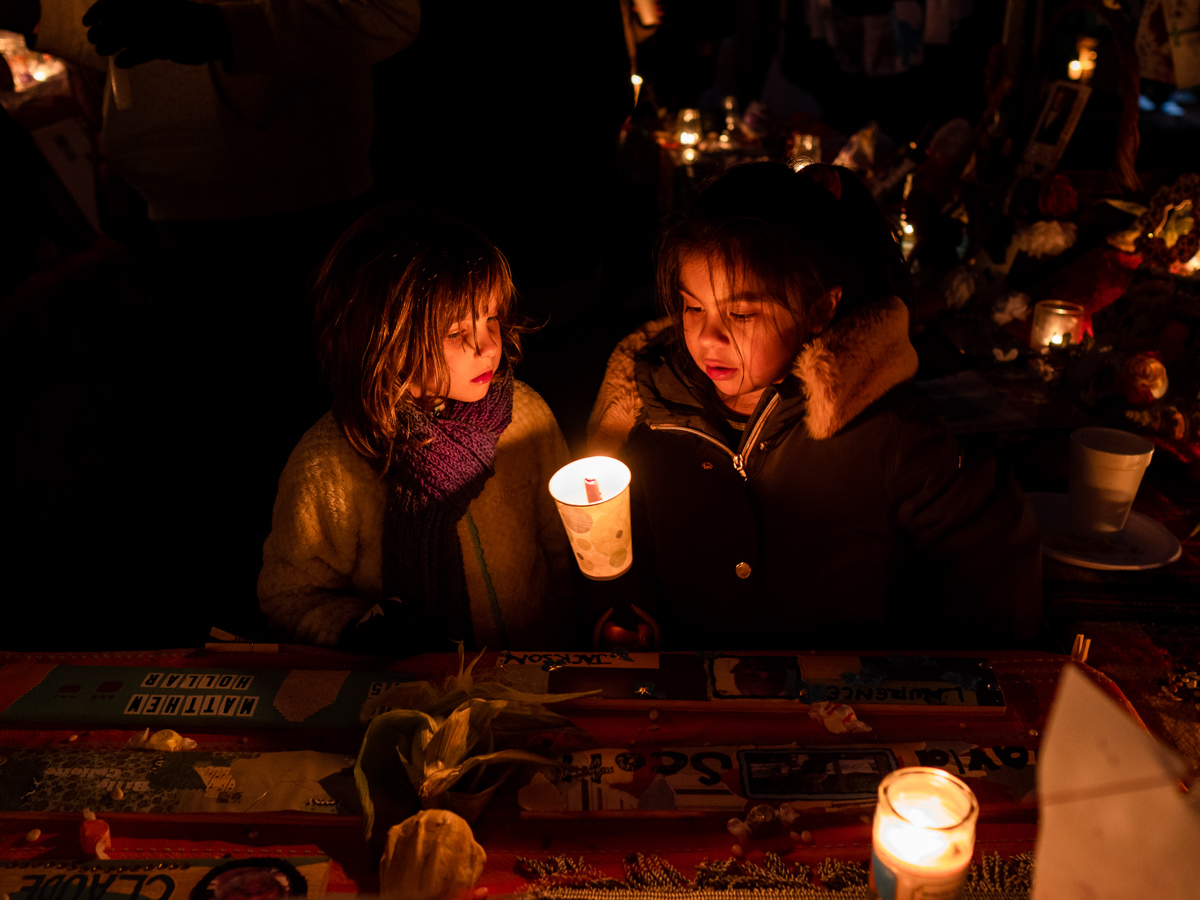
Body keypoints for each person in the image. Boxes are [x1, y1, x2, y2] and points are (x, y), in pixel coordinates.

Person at [586, 162, 1042, 651]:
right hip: (692, 694)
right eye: (693, 306)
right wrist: (629, 607)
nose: (707, 336)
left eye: (741, 313)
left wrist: (949, 680)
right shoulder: (652, 405)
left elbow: (990, 553)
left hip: (837, 707)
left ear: (819, 310)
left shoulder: (880, 424)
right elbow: (620, 536)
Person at [258, 207, 577, 653]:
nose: (487, 346)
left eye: (491, 319)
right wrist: (356, 625)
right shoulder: (330, 462)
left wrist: (583, 630)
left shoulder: (524, 416)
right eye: (455, 331)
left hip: (536, 674)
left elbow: (563, 551)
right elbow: (290, 595)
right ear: (384, 338)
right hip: (408, 696)